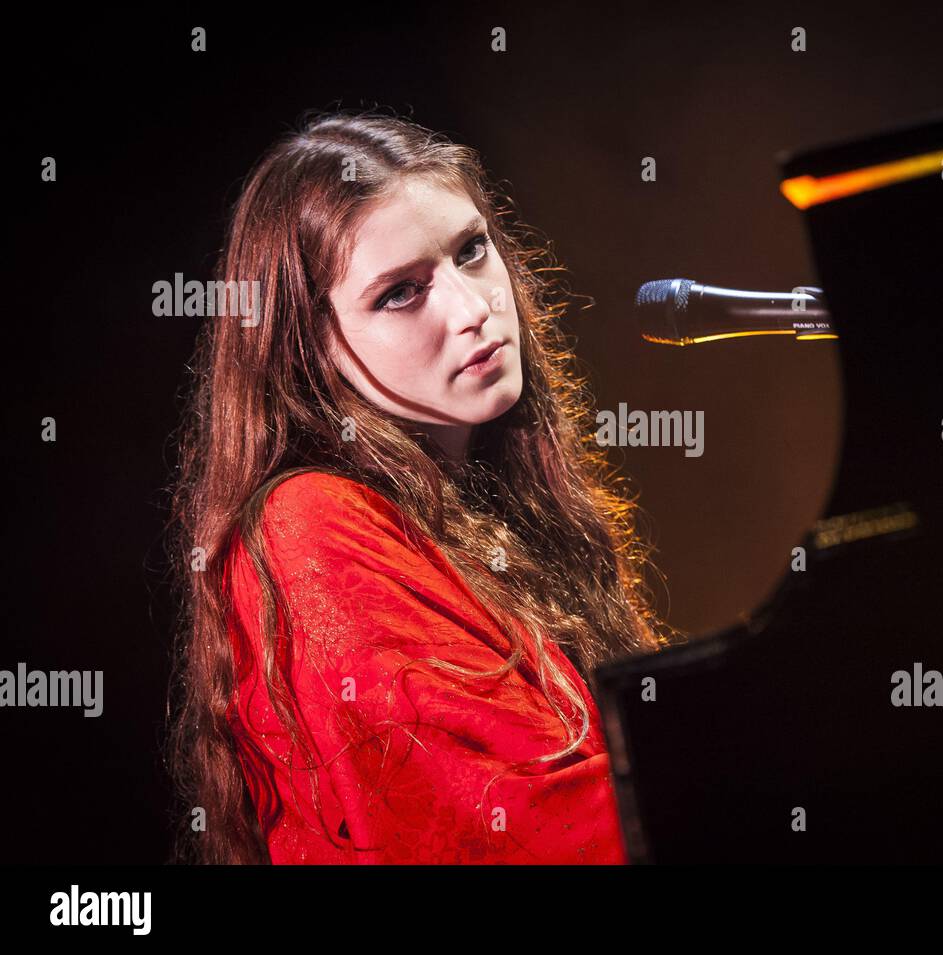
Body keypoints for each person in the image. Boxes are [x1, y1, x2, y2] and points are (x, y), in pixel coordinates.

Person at [165, 111, 677, 864]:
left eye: (472, 251)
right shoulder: (307, 521)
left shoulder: (485, 490)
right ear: (310, 348)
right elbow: (520, 826)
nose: (473, 309)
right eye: (401, 293)